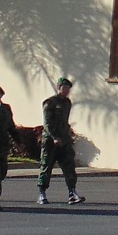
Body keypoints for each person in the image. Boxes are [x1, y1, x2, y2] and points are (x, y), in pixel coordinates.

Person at [37, 76, 84, 205]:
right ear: (59, 88)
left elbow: (65, 121)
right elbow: (47, 123)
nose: (66, 90)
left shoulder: (67, 103)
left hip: (64, 139)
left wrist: (67, 136)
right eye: (64, 88)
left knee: (69, 166)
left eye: (68, 88)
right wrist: (54, 137)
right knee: (46, 166)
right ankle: (42, 193)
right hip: (51, 141)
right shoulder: (49, 103)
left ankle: (72, 192)